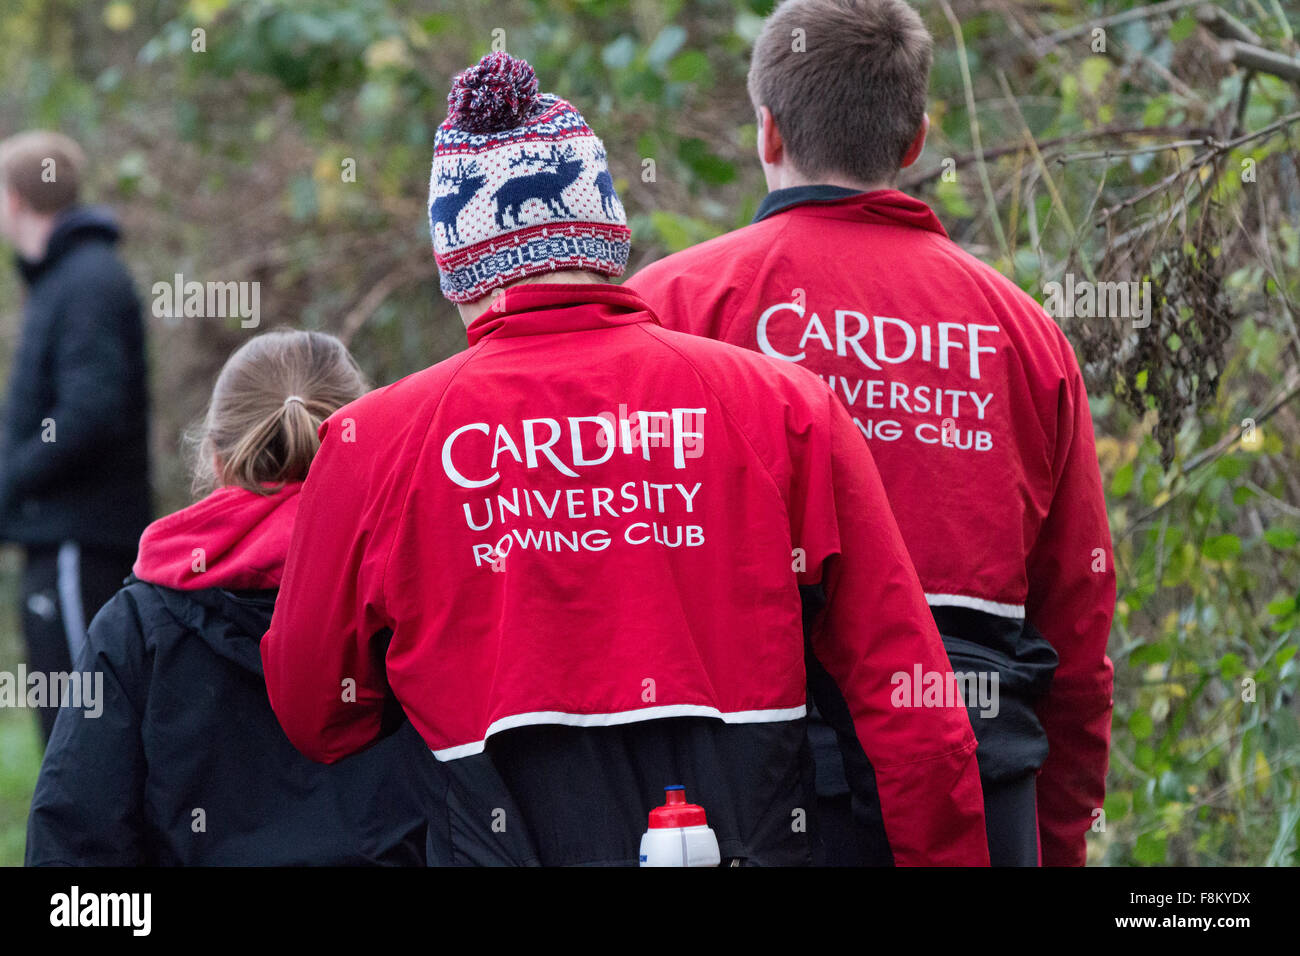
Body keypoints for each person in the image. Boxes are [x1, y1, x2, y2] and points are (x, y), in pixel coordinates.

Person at [261, 52, 988, 867]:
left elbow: (315, 709)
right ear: (605, 235)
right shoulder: (783, 406)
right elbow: (911, 707)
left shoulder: (375, 442)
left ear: (458, 268)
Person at [625, 0, 1115, 867]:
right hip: (979, 776)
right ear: (917, 138)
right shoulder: (1024, 334)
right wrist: (1059, 838)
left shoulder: (670, 311)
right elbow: (1077, 627)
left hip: (747, 796)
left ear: (767, 132)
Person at [25, 330, 438, 866]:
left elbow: (72, 849)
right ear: (372, 444)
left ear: (216, 461)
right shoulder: (429, 591)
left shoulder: (137, 625)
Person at [0, 130, 151, 745]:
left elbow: (90, 412)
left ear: (14, 199)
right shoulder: (61, 280)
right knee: (75, 733)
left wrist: (9, 480)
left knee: (84, 733)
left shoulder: (87, 281)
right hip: (59, 541)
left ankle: (95, 847)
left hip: (77, 545)